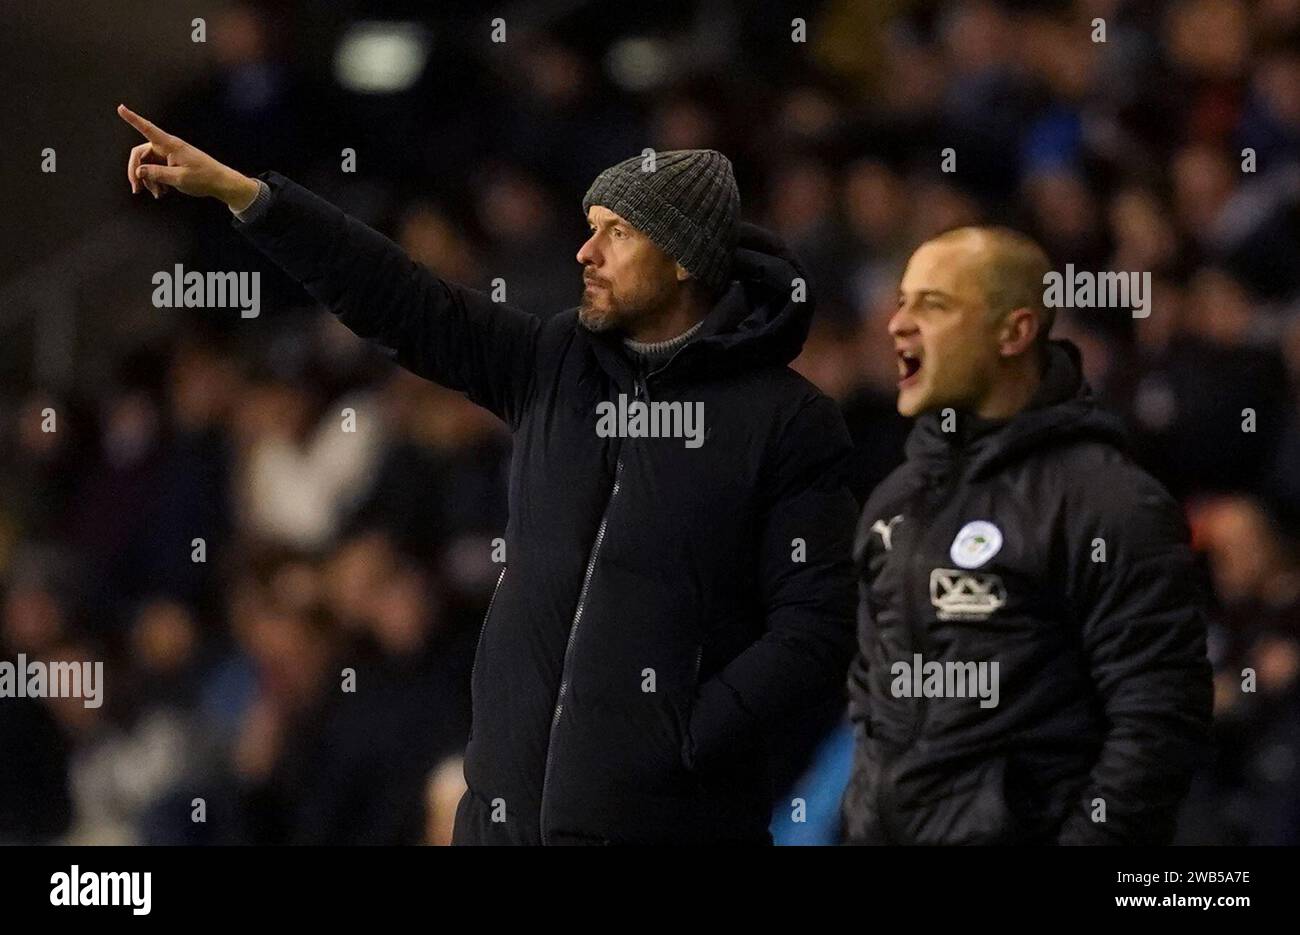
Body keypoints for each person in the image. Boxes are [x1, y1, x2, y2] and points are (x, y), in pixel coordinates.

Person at [117, 104, 858, 845]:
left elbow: (816, 628)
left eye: (617, 233)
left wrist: (681, 739)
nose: (585, 251)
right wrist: (248, 196)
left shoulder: (788, 421)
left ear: (684, 258)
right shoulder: (557, 363)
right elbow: (400, 297)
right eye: (590, 226)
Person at [842, 226, 1212, 845]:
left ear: (1014, 333)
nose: (897, 324)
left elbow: (1157, 723)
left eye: (933, 305)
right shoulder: (894, 500)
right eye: (902, 302)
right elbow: (870, 701)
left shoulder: (1109, 503)